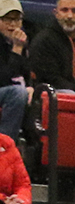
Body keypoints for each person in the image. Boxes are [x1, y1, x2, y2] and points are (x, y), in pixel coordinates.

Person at [0, 0, 34, 141]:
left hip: (16, 92)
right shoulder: (17, 45)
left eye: (17, 19)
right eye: (8, 19)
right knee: (18, 93)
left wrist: (31, 86)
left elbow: (29, 73)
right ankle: (4, 148)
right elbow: (3, 80)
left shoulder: (25, 41)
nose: (13, 24)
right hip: (5, 90)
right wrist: (16, 50)